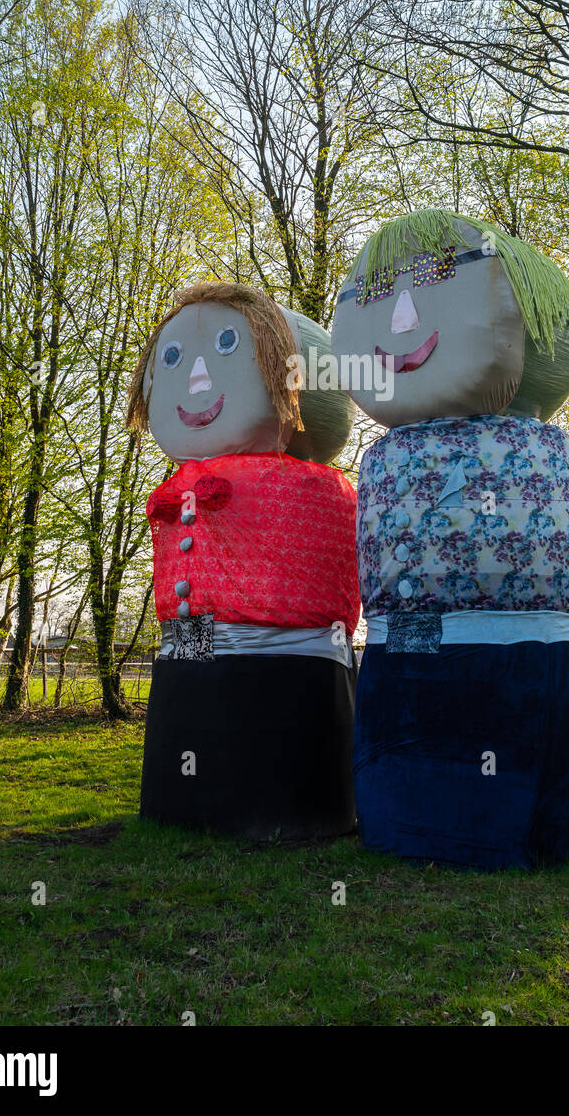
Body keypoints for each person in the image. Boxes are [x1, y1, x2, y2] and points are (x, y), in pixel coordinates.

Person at [332, 209, 569, 869]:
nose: (402, 321)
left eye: (435, 285)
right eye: (377, 301)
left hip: (532, 651)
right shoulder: (382, 457)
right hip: (410, 654)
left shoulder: (541, 444)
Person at [128, 281, 359, 841]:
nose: (198, 379)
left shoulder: (318, 487)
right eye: (175, 359)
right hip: (193, 661)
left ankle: (263, 810)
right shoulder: (182, 480)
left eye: (229, 345)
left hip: (280, 673)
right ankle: (190, 803)